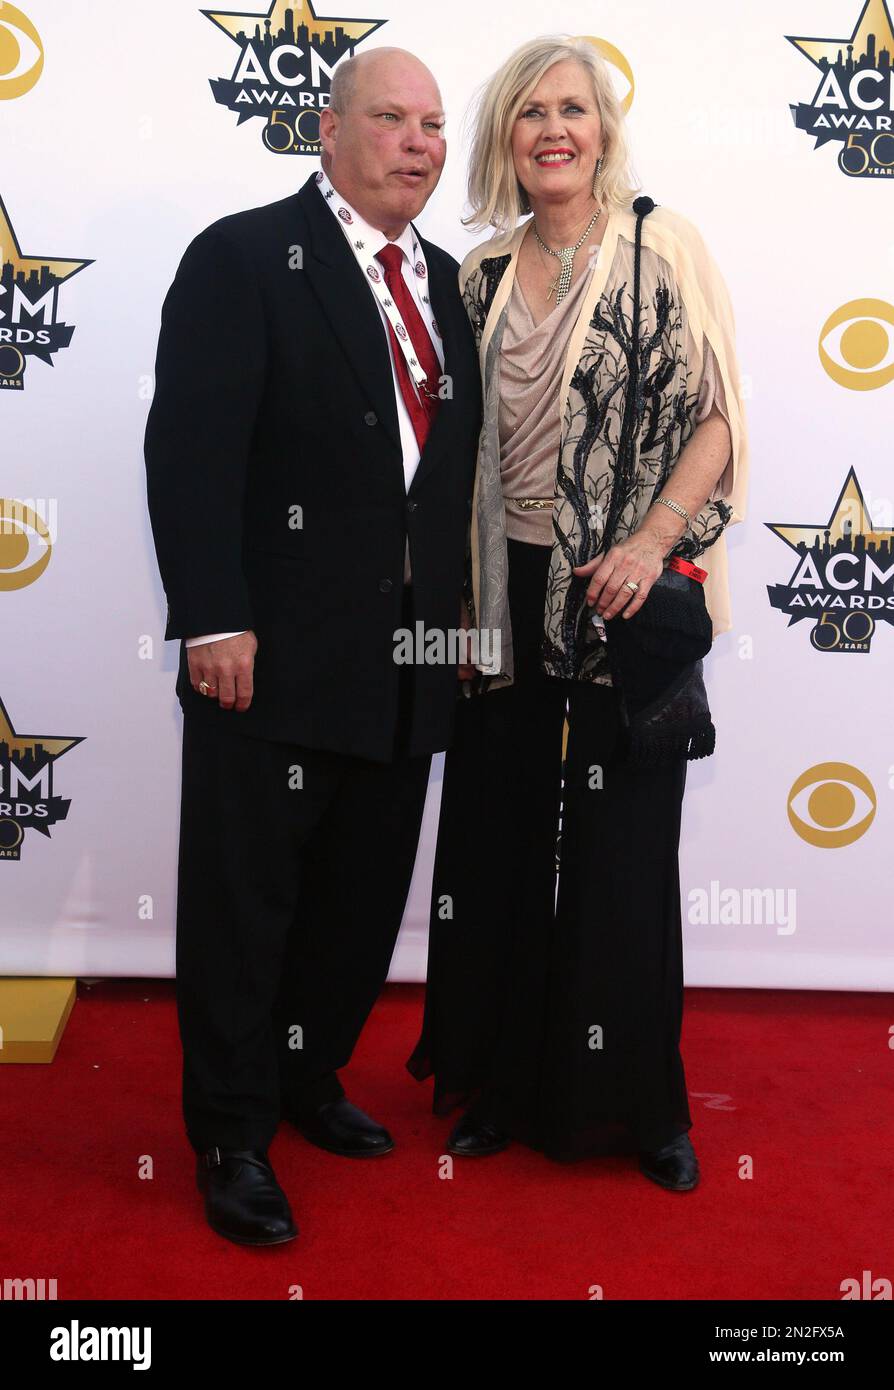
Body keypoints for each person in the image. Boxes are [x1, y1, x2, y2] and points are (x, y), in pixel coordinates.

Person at [144, 47, 480, 1244]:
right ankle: (231, 1136)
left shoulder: (443, 283)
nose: (416, 142)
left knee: (355, 896)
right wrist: (214, 616)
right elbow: (190, 453)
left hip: (406, 663)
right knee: (247, 905)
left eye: (433, 124)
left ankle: (305, 1075)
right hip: (269, 656)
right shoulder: (243, 257)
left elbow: (444, 489)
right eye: (390, 119)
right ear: (326, 131)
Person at [408, 35, 748, 1191]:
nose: (554, 129)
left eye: (575, 109)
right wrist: (454, 617)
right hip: (502, 588)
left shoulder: (664, 250)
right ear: (506, 136)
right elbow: (452, 462)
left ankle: (641, 1105)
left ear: (604, 129)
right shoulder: (480, 276)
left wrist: (652, 543)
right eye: (530, 112)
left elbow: (715, 420)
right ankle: (500, 1082)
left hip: (628, 592)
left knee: (625, 848)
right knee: (497, 839)